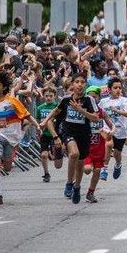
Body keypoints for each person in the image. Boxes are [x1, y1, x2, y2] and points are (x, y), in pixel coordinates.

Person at [0, 71, 39, 205]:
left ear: (4, 87)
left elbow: (27, 115)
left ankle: (11, 154)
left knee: (7, 167)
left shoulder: (12, 101)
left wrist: (38, 126)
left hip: (10, 137)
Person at [40, 74, 101, 204]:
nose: (79, 84)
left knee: (80, 165)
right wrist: (45, 121)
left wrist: (80, 110)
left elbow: (96, 118)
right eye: (77, 82)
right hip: (68, 133)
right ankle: (69, 182)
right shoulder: (66, 99)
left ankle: (77, 187)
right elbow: (56, 111)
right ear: (72, 84)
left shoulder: (89, 100)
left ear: (85, 85)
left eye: (82, 82)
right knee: (74, 154)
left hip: (84, 135)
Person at [99, 77, 127, 181]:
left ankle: (118, 164)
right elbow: (97, 113)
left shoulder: (124, 101)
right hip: (107, 129)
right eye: (115, 88)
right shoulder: (103, 102)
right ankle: (104, 169)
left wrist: (118, 111)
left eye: (119, 87)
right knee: (108, 145)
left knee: (117, 153)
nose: (118, 90)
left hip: (120, 131)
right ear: (109, 90)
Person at [35, 87, 63, 183]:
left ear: (54, 96)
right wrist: (38, 130)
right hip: (45, 134)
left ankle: (58, 154)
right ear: (43, 96)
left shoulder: (57, 107)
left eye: (51, 96)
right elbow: (38, 120)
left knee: (58, 165)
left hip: (56, 133)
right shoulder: (40, 108)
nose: (48, 98)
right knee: (43, 154)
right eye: (46, 96)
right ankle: (46, 173)